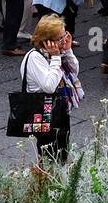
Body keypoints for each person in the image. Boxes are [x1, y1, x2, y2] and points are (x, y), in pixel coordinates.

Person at [19, 14, 82, 163]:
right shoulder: (35, 58)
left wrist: (67, 51)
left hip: (60, 109)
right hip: (45, 112)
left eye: (64, 35)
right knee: (49, 155)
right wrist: (55, 58)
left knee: (62, 152)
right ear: (46, 41)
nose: (64, 40)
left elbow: (73, 71)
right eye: (60, 38)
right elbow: (49, 86)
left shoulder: (55, 54)